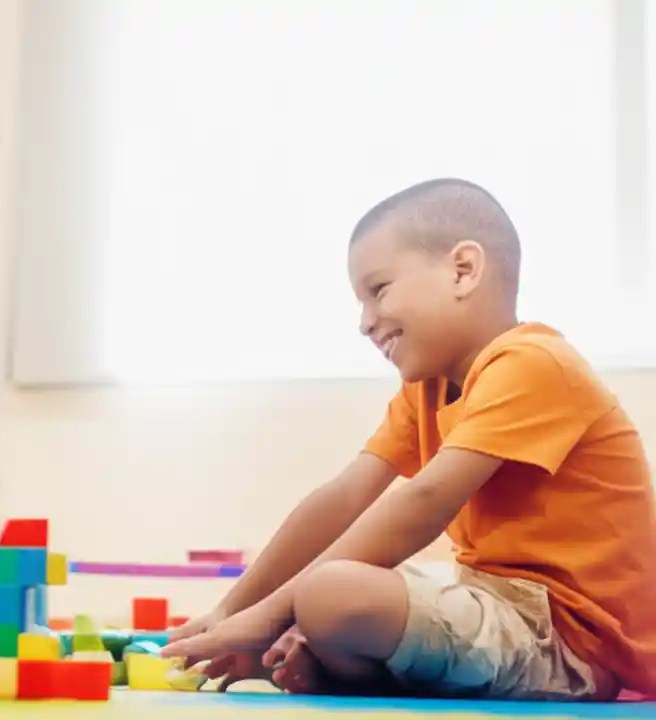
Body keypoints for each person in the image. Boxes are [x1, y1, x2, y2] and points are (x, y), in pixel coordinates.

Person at [162, 178, 656, 701]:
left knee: (329, 593)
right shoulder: (428, 387)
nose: (364, 322)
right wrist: (230, 611)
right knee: (329, 594)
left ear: (463, 271)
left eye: (378, 290)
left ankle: (341, 662)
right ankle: (333, 664)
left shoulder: (535, 363)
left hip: (570, 641)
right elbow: (342, 498)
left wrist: (268, 616)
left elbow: (425, 501)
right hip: (494, 601)